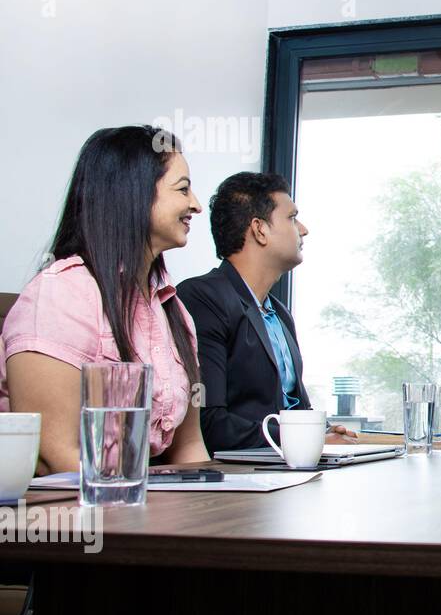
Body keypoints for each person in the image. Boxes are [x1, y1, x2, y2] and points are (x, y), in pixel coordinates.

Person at [0, 125, 209, 472]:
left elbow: (189, 448)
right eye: (183, 189)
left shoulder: (174, 309)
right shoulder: (60, 293)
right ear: (134, 193)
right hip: (80, 512)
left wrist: (212, 509)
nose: (195, 205)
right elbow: (56, 455)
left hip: (148, 504)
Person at [176, 172, 355, 451]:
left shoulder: (280, 315)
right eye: (292, 218)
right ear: (260, 229)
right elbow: (208, 421)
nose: (304, 229)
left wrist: (325, 430)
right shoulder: (202, 297)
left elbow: (295, 407)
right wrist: (303, 437)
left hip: (285, 471)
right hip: (237, 482)